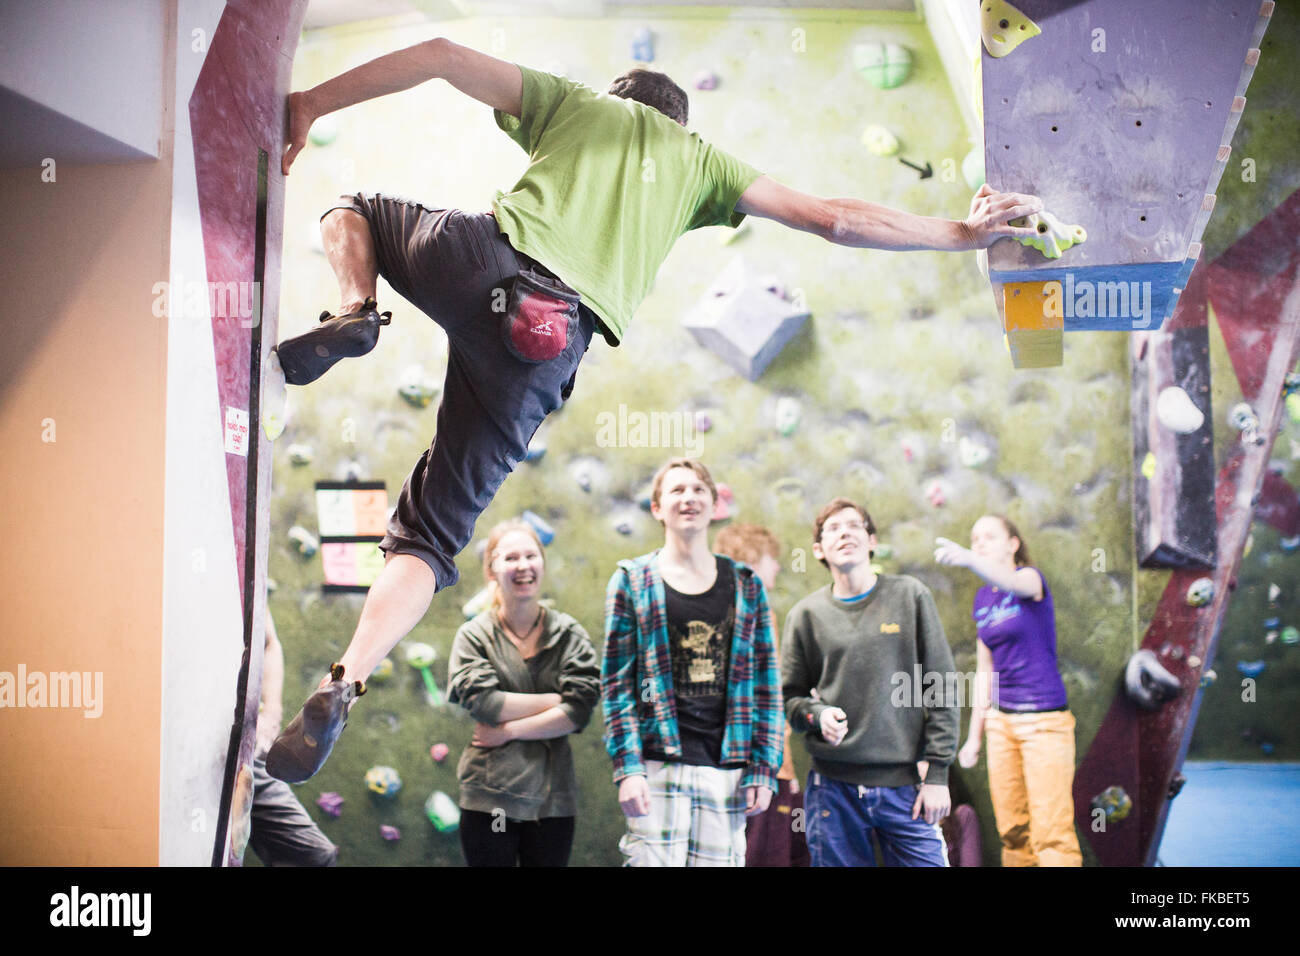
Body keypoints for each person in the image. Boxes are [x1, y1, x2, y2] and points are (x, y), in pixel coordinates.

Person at [266, 34, 1044, 784]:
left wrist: (309, 103)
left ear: (618, 99)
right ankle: (349, 677)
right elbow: (831, 218)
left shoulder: (575, 104)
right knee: (431, 539)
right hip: (548, 341)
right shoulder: (699, 159)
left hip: (479, 261)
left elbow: (440, 55)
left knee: (354, 207)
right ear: (681, 124)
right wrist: (962, 235)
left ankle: (354, 308)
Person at [601, 459, 782, 866]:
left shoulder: (746, 584)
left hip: (728, 768)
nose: (689, 498)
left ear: (715, 505)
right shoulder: (633, 581)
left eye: (699, 489)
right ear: (657, 507)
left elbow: (768, 686)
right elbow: (617, 687)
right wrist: (628, 767)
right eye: (677, 490)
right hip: (657, 764)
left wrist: (763, 768)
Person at [782, 497, 958, 867]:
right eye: (833, 528)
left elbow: (941, 686)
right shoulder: (806, 616)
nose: (844, 532)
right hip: (831, 791)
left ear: (872, 540)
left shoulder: (910, 596)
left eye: (854, 525)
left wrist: (938, 773)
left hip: (906, 786)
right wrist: (816, 714)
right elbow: (791, 700)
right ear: (819, 549)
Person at [446, 520, 599, 867]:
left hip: (552, 802)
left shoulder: (568, 633)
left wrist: (508, 731)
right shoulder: (473, 637)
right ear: (491, 570)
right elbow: (485, 703)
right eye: (510, 557)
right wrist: (558, 701)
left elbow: (580, 711)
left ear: (542, 564)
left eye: (531, 555)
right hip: (493, 801)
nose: (522, 565)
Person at [934, 515, 1082, 867]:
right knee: (1013, 831)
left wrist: (971, 560)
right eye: (974, 539)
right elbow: (986, 670)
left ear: (1013, 543)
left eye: (989, 536)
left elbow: (1015, 584)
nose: (980, 543)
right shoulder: (983, 599)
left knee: (1051, 834)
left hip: (1044, 723)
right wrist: (974, 737)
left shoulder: (1031, 579)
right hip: (1002, 723)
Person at [712, 522, 809, 867]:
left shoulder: (719, 609)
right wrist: (783, 766)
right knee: (766, 856)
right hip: (762, 768)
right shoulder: (755, 609)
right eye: (771, 558)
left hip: (725, 766)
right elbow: (766, 698)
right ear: (751, 557)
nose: (778, 566)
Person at [248, 609, 339, 867]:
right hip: (184, 751)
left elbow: (268, 643)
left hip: (247, 748)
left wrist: (272, 714)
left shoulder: (247, 572)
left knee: (315, 858)